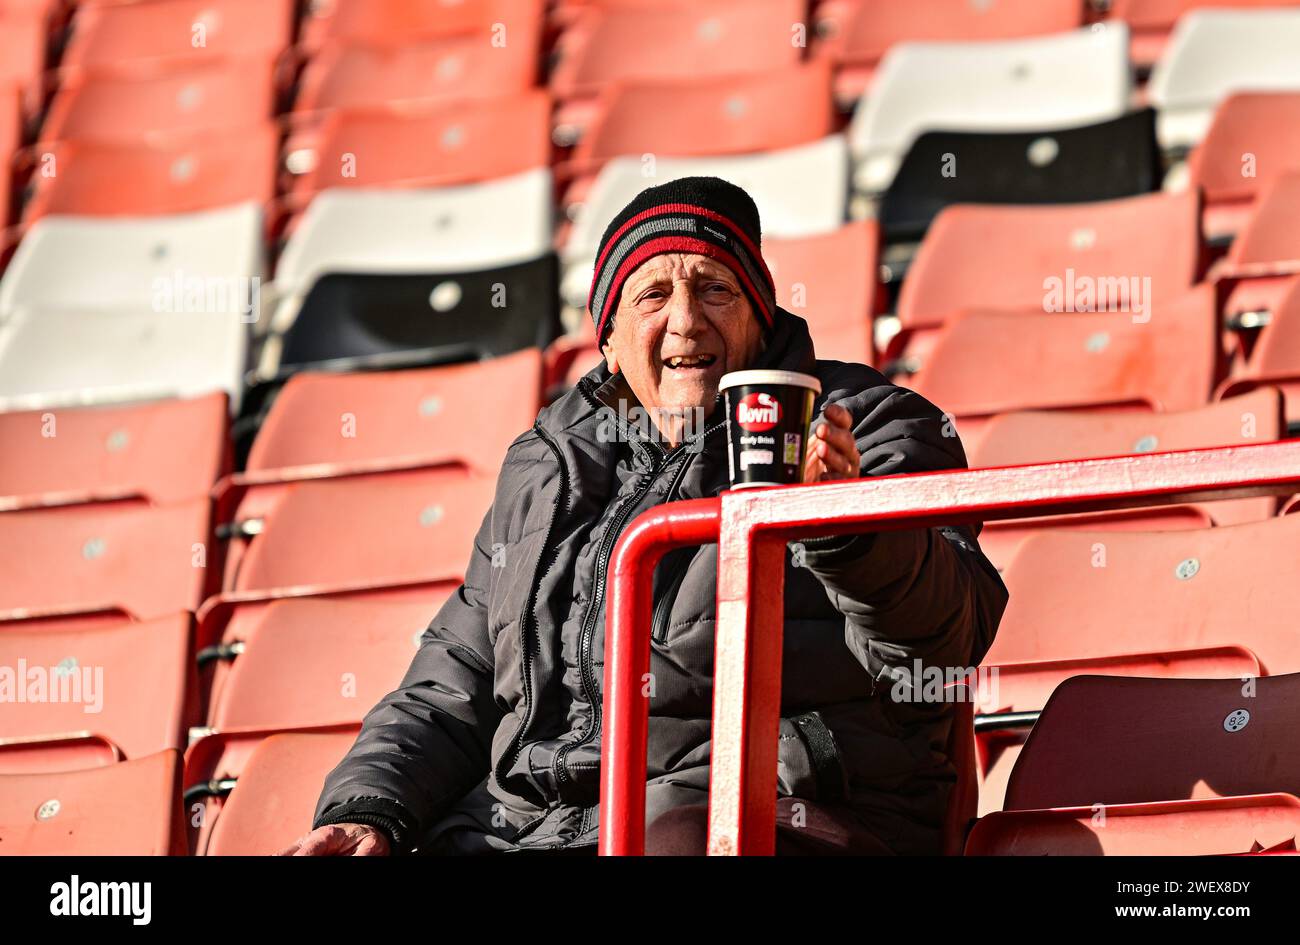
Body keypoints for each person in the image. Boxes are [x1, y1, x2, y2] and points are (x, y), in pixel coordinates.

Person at [281, 177, 1007, 856]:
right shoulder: (545, 463)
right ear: (609, 340)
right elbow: (455, 679)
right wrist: (370, 806)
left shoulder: (864, 421)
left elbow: (945, 642)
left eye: (716, 289)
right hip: (535, 828)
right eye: (653, 295)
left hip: (771, 812)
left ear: (762, 314)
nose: (687, 321)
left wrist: (846, 526)